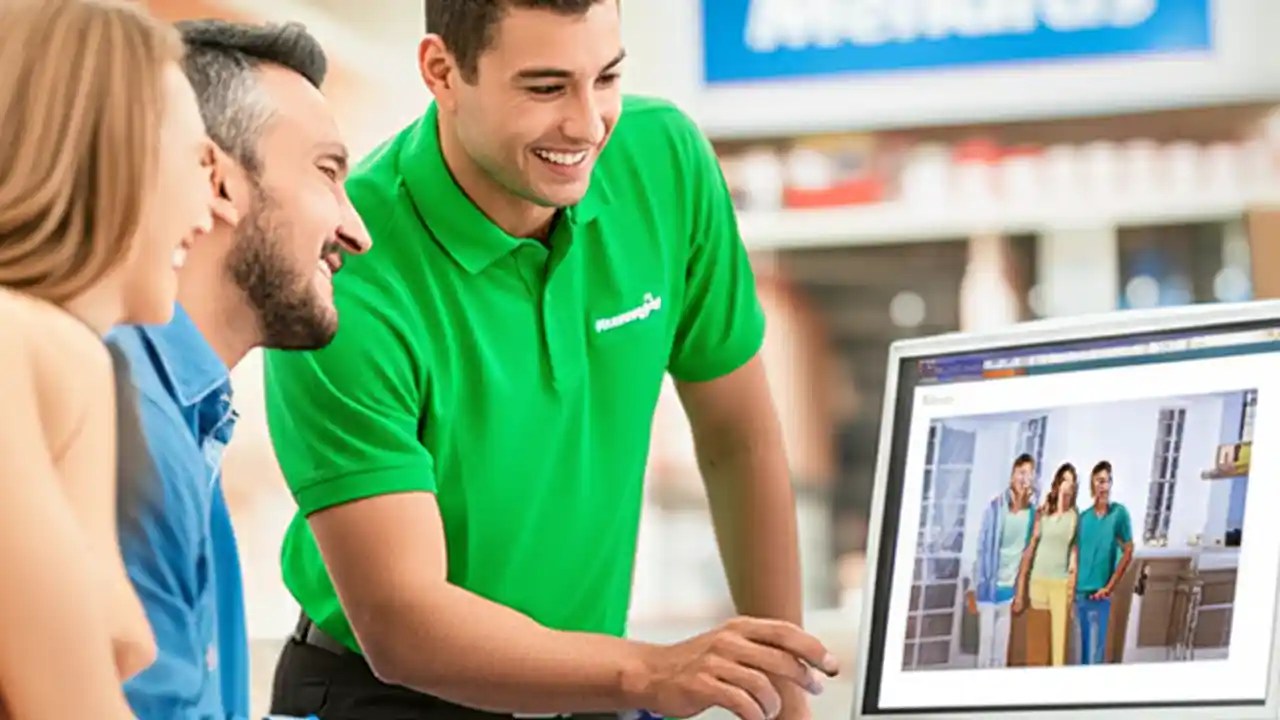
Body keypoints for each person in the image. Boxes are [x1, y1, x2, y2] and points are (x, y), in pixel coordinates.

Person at [262, 1, 837, 719]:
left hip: (590, 684)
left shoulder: (664, 161)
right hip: (388, 696)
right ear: (442, 71)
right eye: (546, 88)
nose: (587, 124)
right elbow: (404, 626)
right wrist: (649, 673)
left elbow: (738, 438)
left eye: (607, 77)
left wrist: (786, 698)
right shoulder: (347, 270)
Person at [107, 19, 371, 720]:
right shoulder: (129, 428)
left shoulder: (180, 413)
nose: (357, 231)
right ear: (216, 180)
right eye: (327, 173)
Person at [0, 0, 217, 716]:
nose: (213, 204)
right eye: (199, 159)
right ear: (114, 156)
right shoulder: (31, 344)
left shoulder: (65, 357)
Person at [965, 453, 1037, 668]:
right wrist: (972, 587)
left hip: (1009, 591)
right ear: (1012, 476)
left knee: (1001, 655)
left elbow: (1026, 555)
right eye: (1021, 473)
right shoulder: (995, 508)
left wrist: (1020, 592)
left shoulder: (1032, 514)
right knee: (985, 651)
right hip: (988, 588)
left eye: (1029, 475)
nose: (1024, 479)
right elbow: (981, 547)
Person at [1014, 462, 1079, 667]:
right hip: (1038, 582)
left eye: (1071, 482)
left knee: (1058, 651)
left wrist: (1072, 593)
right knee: (1037, 648)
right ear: (1057, 483)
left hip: (1060, 585)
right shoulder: (1042, 514)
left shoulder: (1074, 517)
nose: (1067, 485)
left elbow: (1074, 556)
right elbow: (1030, 551)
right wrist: (1021, 588)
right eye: (1064, 480)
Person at [1073, 460, 1134, 665]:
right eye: (1099, 481)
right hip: (1080, 594)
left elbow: (1128, 550)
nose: (1103, 486)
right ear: (1092, 485)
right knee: (1081, 656)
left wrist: (1109, 587)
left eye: (1106, 481)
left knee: (1096, 656)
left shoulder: (1118, 514)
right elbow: (1075, 554)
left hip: (1101, 596)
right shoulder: (1083, 518)